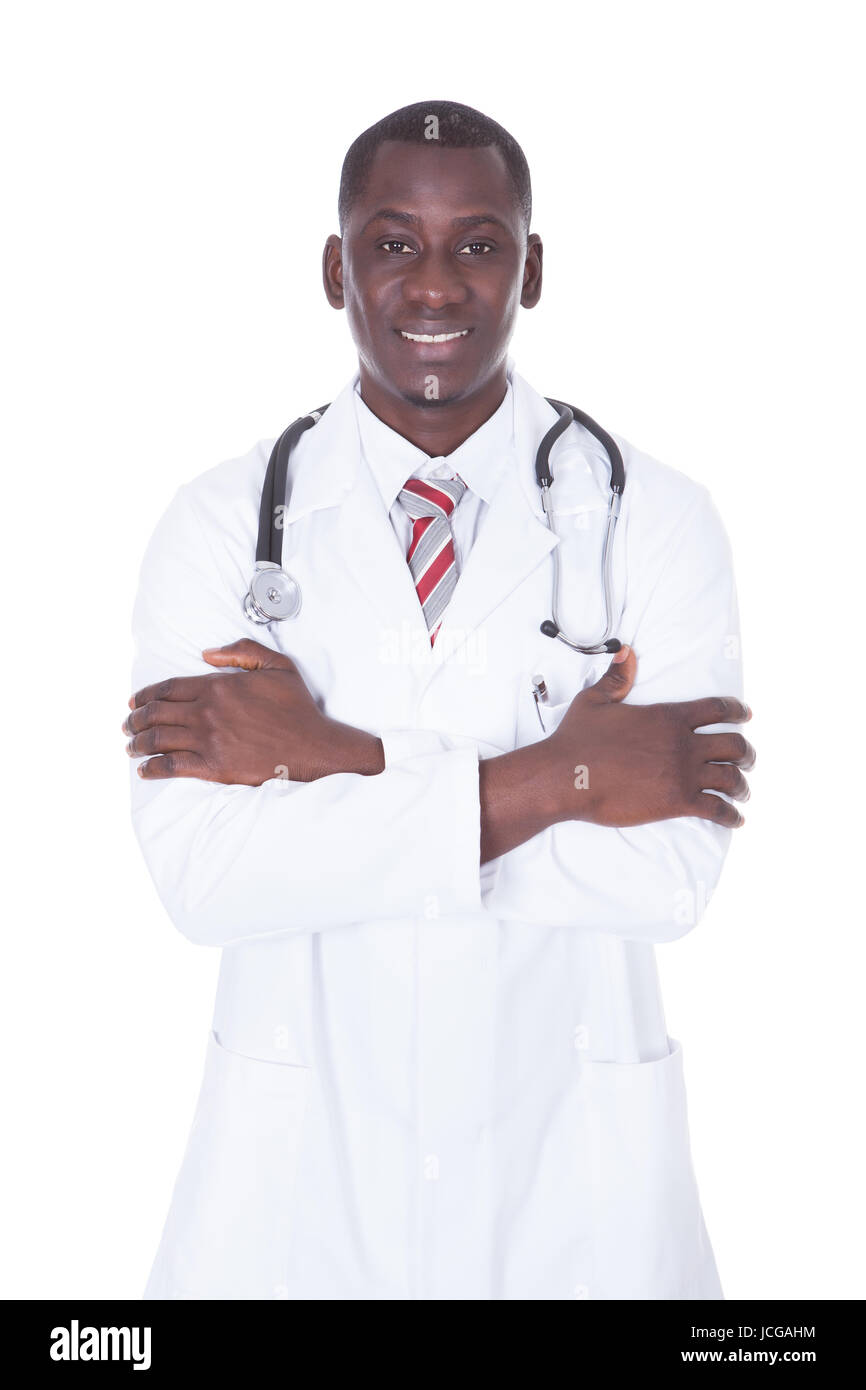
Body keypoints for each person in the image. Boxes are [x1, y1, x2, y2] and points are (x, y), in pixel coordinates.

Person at [123, 100, 755, 1301]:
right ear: (333, 267)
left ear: (531, 266)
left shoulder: (655, 523)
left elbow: (668, 878)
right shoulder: (214, 528)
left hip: (574, 1187)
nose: (434, 286)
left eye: (476, 243)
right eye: (390, 242)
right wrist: (561, 778)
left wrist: (330, 757)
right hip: (297, 1193)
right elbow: (206, 882)